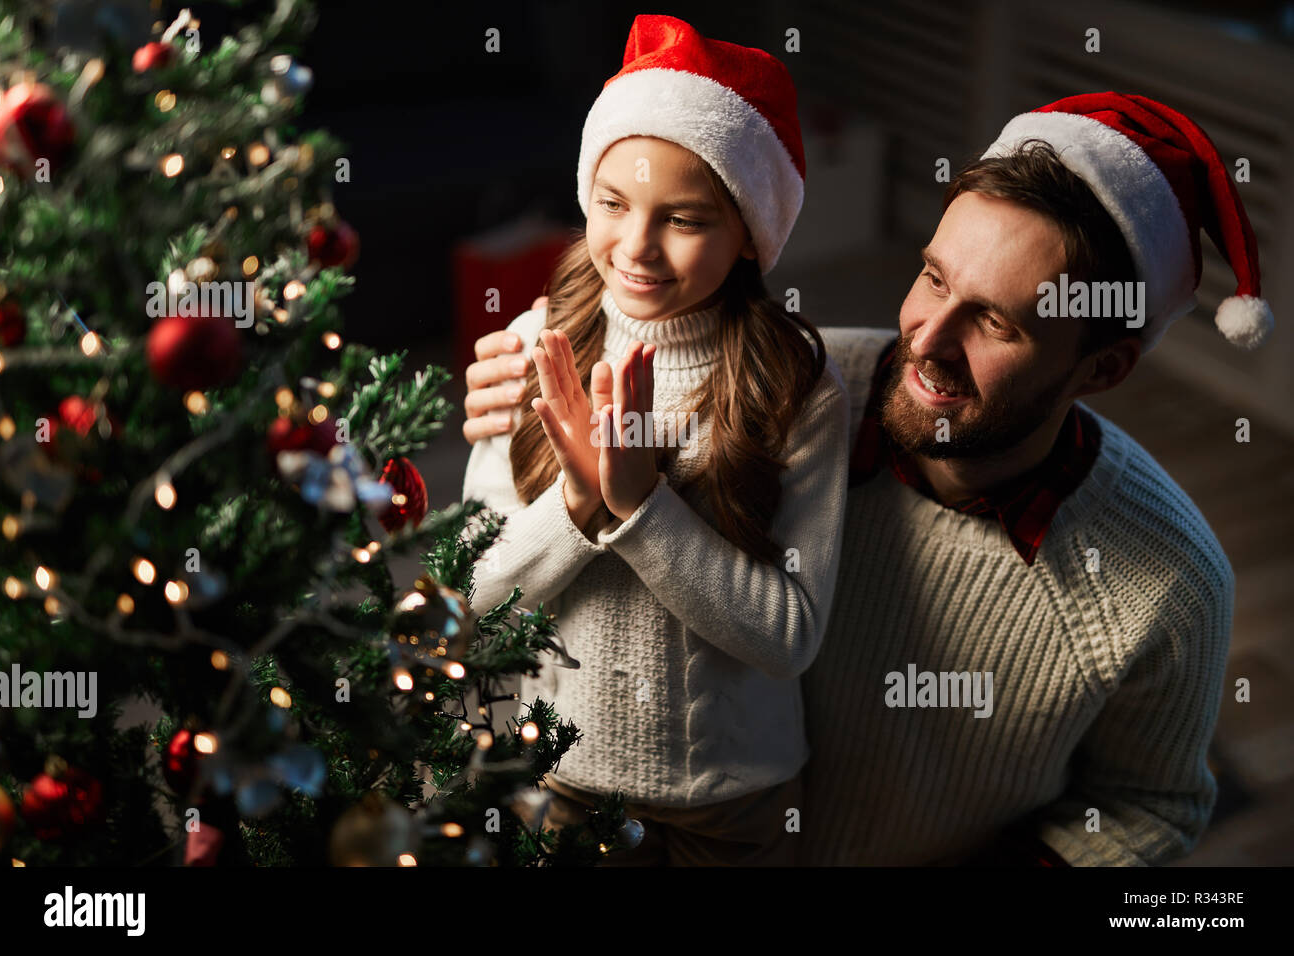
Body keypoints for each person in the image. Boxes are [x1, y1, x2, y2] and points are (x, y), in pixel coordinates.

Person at [463, 91, 1274, 865]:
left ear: (1103, 368)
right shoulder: (792, 393)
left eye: (996, 321)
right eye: (933, 277)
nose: (927, 342)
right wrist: (513, 380)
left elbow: (1156, 808)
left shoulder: (1173, 581)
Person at [461, 15, 849, 865]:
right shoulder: (532, 351)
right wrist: (578, 505)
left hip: (737, 798)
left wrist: (641, 506)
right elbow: (475, 595)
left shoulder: (800, 392)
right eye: (612, 204)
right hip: (560, 780)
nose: (636, 247)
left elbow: (789, 634)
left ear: (751, 232)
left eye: (684, 218)